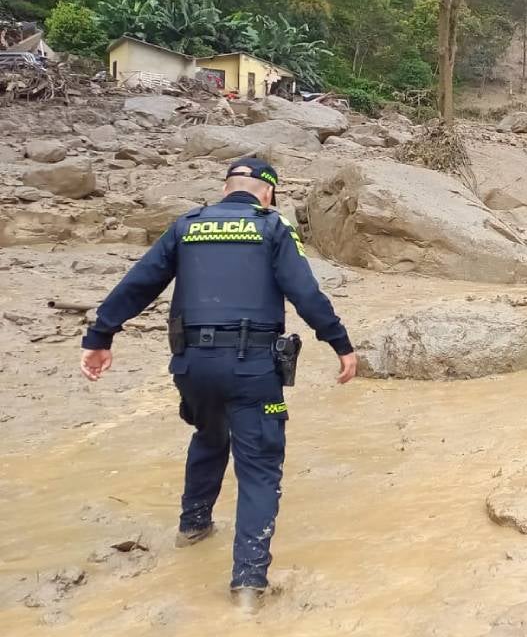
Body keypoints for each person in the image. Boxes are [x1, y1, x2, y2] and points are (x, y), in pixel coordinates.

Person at [79, 157, 357, 611]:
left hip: (192, 367)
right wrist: (341, 345)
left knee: (209, 434)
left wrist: (100, 336)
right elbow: (306, 293)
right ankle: (248, 584)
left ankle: (193, 526)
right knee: (260, 469)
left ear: (227, 188)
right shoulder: (271, 227)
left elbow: (138, 283)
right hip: (251, 367)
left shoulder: (187, 225)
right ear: (268, 193)